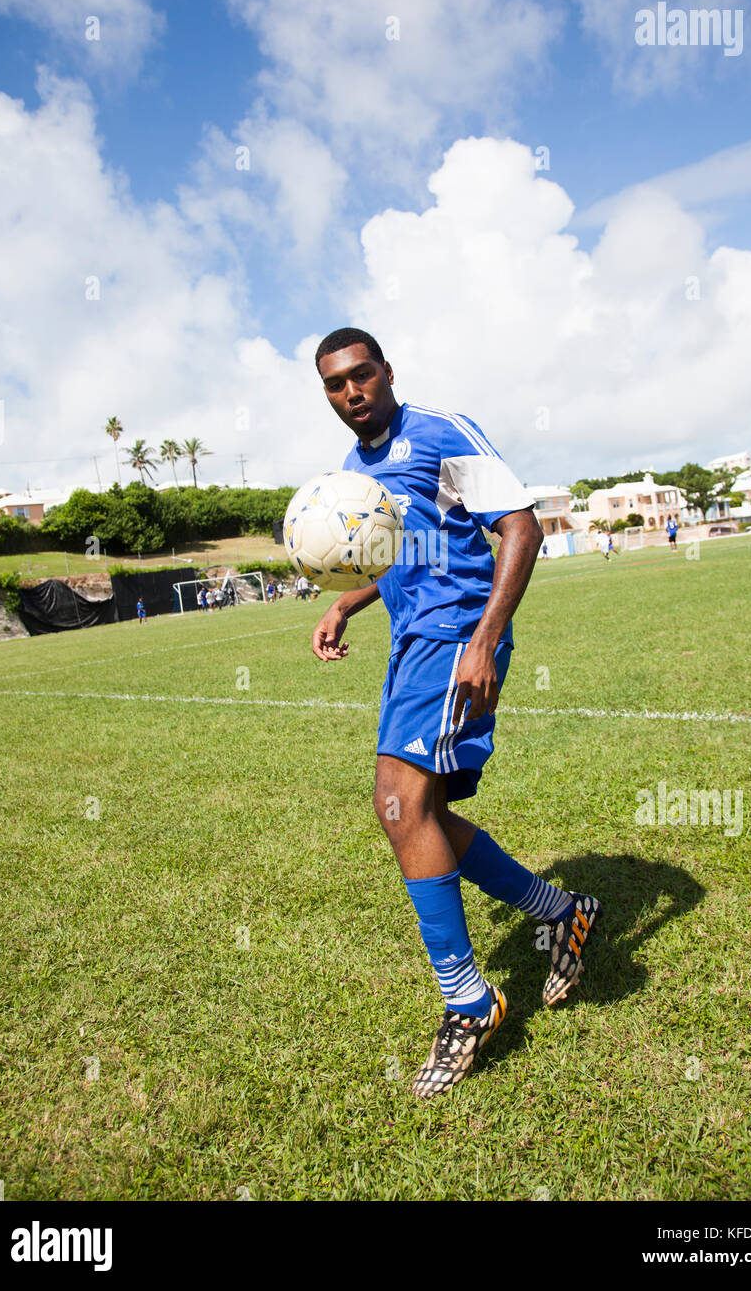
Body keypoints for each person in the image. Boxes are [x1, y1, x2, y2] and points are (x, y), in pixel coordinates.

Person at [310, 327, 603, 1098]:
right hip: (413, 645)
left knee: (397, 804)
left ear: (386, 372)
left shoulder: (441, 433)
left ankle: (468, 1001)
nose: (351, 393)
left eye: (361, 375)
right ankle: (564, 909)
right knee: (425, 814)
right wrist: (349, 598)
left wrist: (485, 639)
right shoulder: (354, 470)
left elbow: (520, 527)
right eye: (336, 385)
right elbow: (406, 551)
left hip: (456, 638)